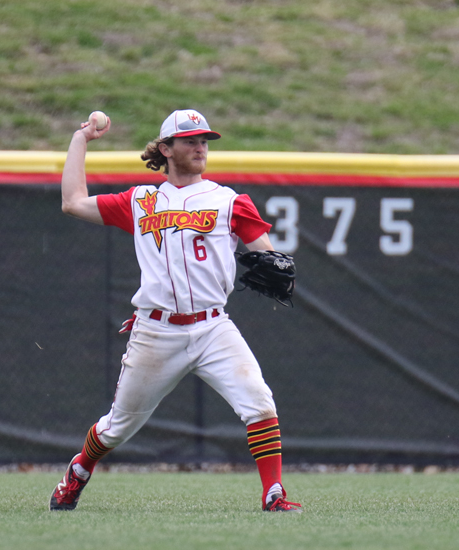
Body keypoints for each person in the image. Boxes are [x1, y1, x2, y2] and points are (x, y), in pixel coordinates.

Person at [49, 109, 302, 513]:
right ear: (165, 149)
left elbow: (268, 256)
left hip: (213, 327)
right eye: (190, 141)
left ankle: (273, 494)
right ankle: (79, 470)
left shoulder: (229, 201)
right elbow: (72, 203)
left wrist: (273, 263)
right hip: (157, 330)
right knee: (117, 428)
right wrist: (80, 140)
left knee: (259, 403)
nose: (201, 147)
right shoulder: (140, 201)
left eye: (204, 141)